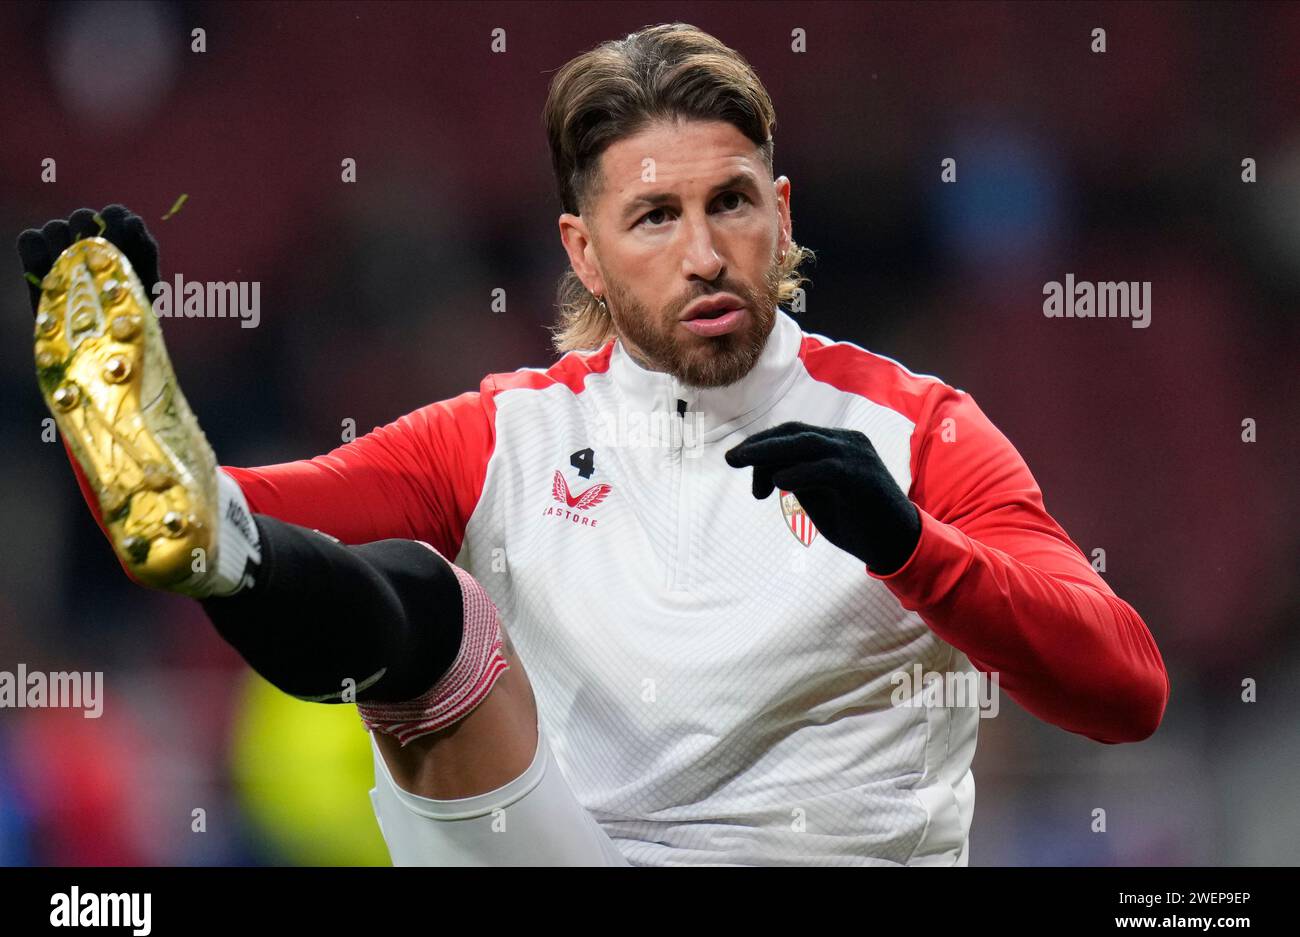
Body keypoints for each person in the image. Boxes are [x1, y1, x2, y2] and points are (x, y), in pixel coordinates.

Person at [17, 23, 1168, 866]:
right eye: (656, 218)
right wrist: (111, 413)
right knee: (406, 594)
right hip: (571, 856)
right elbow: (168, 519)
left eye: (732, 204)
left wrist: (912, 547)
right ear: (584, 250)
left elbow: (1125, 688)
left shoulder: (918, 431)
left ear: (782, 210)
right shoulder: (508, 432)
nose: (706, 252)